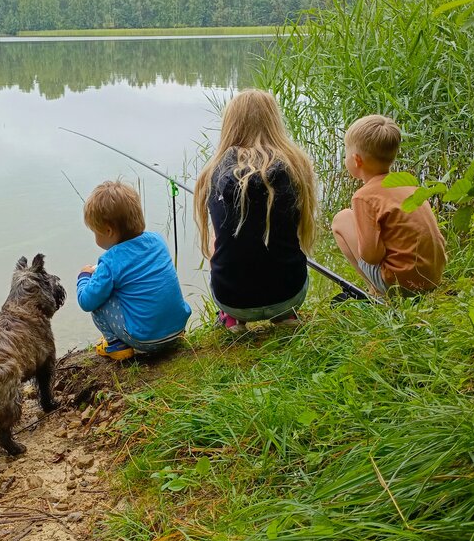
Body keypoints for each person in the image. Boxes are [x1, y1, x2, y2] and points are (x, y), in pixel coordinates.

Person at [193, 88, 318, 332]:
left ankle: (232, 319)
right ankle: (284, 316)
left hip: (232, 299)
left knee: (217, 241)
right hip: (290, 293)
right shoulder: (295, 165)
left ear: (230, 124)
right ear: (274, 121)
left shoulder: (213, 172)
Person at [331, 114, 446, 296]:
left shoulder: (364, 197)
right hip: (432, 279)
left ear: (356, 160)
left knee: (341, 219)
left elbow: (371, 256)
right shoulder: (407, 184)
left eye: (345, 151)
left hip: (401, 286)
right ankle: (380, 288)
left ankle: (378, 292)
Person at [77, 180, 191, 360]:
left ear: (108, 231)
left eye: (95, 232)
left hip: (147, 340)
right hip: (178, 328)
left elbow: (86, 301)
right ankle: (170, 330)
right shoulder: (157, 241)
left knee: (99, 300)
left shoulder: (110, 261)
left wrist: (84, 276)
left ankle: (116, 345)